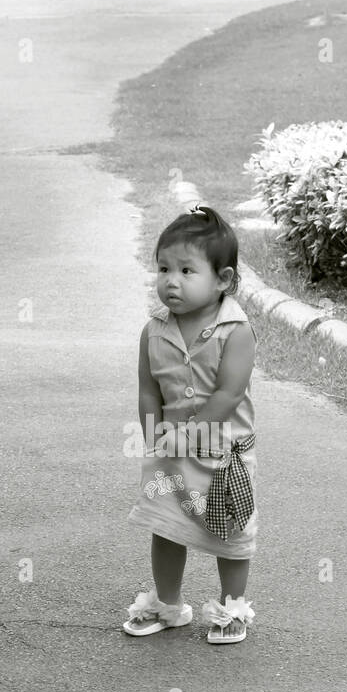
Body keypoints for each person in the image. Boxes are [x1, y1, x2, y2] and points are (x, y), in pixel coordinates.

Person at [124, 206, 258, 646]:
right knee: (166, 526)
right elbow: (149, 390)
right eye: (163, 268)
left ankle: (232, 608)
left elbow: (228, 394)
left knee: (231, 533)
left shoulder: (234, 332)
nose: (171, 281)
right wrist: (152, 433)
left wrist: (190, 432)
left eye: (186, 270)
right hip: (170, 453)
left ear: (223, 279)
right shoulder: (154, 330)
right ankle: (167, 604)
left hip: (223, 454)